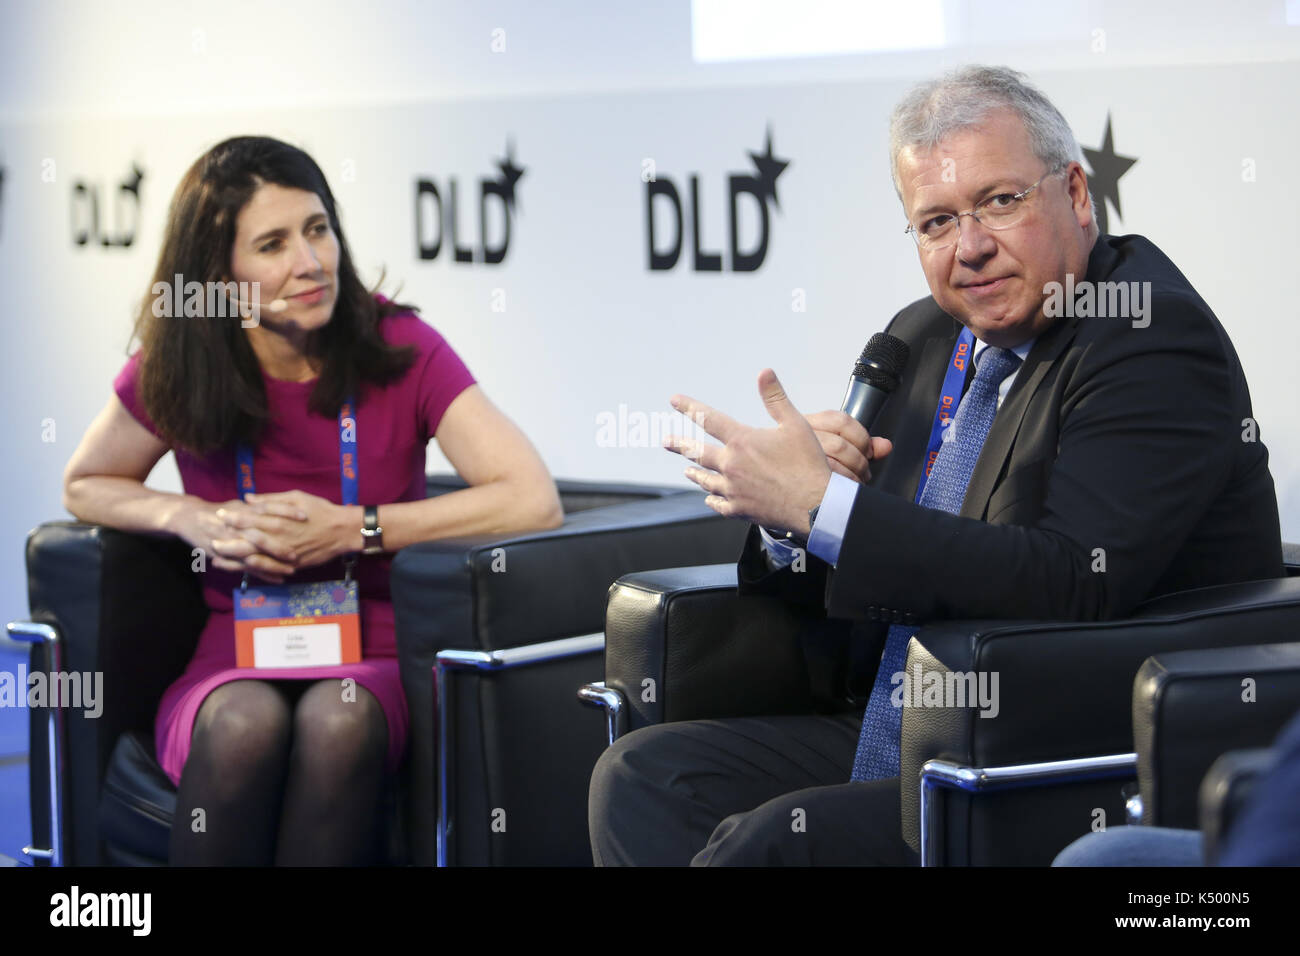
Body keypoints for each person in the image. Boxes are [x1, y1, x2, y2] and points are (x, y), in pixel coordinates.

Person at [588, 65, 1284, 866]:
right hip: (905, 719)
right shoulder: (921, 337)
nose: (972, 248)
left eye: (1000, 202)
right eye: (936, 223)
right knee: (642, 775)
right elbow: (879, 565)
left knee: (773, 843)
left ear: (1077, 194)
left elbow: (1076, 579)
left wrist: (830, 510)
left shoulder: (1146, 333)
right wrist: (792, 521)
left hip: (1051, 752)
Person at [63, 136, 563, 866]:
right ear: (218, 272)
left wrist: (355, 529)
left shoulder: (403, 346)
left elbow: (530, 498)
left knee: (338, 720)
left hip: (376, 647)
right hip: (234, 648)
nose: (311, 261)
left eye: (318, 228)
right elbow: (86, 482)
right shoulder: (180, 360)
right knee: (240, 725)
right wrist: (185, 515)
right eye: (272, 244)